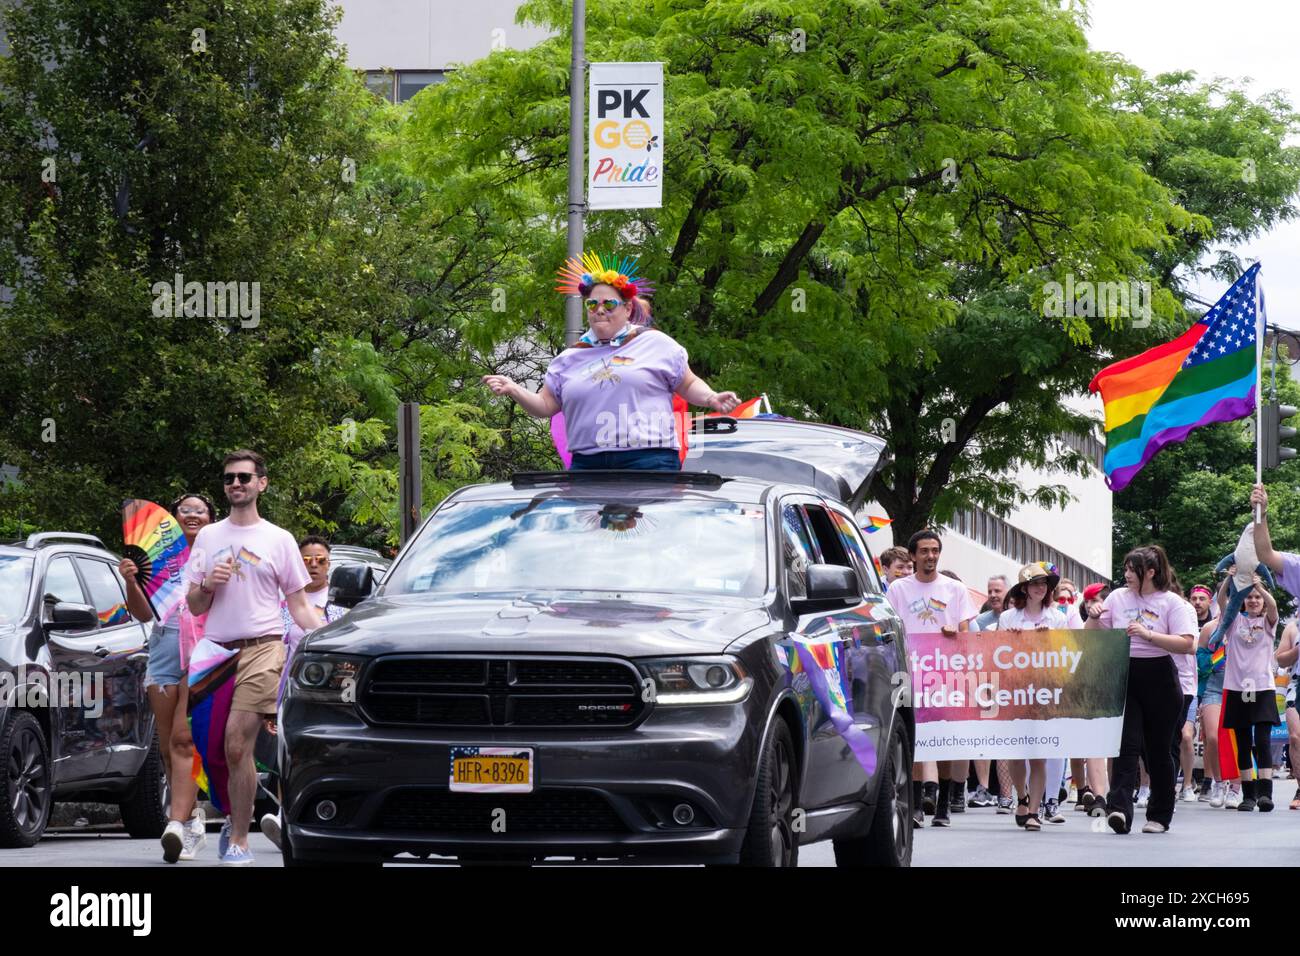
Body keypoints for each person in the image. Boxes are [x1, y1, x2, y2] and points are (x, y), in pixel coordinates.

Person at [185, 450, 324, 865]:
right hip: (214, 654)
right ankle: (233, 814)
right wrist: (208, 584)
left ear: (262, 482)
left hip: (263, 648)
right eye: (229, 479)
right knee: (210, 750)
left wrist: (330, 636)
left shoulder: (278, 539)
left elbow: (299, 606)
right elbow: (193, 605)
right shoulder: (209, 537)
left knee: (236, 744)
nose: (236, 484)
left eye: (244, 477)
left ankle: (240, 841)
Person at [482, 251, 740, 470]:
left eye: (610, 303)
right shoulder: (569, 358)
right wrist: (513, 389)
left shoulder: (656, 343)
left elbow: (687, 383)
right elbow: (545, 405)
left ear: (627, 309)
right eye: (592, 304)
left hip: (648, 459)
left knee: (652, 530)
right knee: (588, 530)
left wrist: (711, 398)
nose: (600, 310)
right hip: (587, 462)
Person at [119, 492, 216, 863]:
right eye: (185, 511)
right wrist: (131, 580)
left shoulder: (217, 553)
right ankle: (191, 821)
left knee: (184, 740)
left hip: (203, 649)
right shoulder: (158, 560)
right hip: (163, 648)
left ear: (210, 518)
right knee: (165, 746)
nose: (192, 515)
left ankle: (176, 824)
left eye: (200, 510)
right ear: (171, 520)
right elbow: (143, 614)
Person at [1085, 546, 1197, 834]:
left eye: (1131, 570)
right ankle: (1119, 809)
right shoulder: (1118, 598)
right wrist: (1094, 616)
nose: (1126, 575)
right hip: (1126, 673)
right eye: (1124, 569)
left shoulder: (1171, 602)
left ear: (1150, 572)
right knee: (1126, 745)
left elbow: (1188, 643)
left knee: (1158, 751)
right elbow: (1091, 636)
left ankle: (1160, 815)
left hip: (1161, 677)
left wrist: (1149, 634)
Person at [259, 536, 349, 849]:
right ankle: (285, 816)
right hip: (290, 689)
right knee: (288, 752)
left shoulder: (341, 606)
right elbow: (275, 652)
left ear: (330, 564)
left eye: (320, 560)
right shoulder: (281, 606)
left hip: (333, 694)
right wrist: (272, 697)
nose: (313, 566)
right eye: (306, 560)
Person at [886, 530, 977, 828]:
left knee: (945, 737)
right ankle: (913, 804)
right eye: (924, 551)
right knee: (914, 736)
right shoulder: (899, 589)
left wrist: (955, 632)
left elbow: (967, 632)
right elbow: (892, 628)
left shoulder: (954, 589)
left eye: (935, 550)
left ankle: (943, 804)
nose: (931, 556)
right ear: (913, 556)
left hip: (945, 671)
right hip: (909, 671)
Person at [997, 562, 1070, 830]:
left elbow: (1066, 655)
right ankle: (1022, 796)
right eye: (1035, 583)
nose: (1041, 588)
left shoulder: (1058, 618)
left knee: (1039, 753)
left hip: (1044, 690)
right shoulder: (1008, 618)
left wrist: (1049, 639)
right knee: (1017, 753)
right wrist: (1012, 639)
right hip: (1015, 691)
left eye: (1045, 584)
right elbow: (995, 652)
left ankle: (1035, 811)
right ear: (1025, 588)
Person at [1212, 572, 1280, 811]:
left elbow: (1272, 605)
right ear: (1242, 601)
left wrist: (1258, 585)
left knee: (1262, 740)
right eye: (1249, 597)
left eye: (1256, 598)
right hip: (1237, 687)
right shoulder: (1234, 621)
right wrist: (1230, 581)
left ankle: (1265, 794)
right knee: (1242, 742)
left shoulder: (1268, 622)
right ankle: (1248, 795)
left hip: (1262, 687)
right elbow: (1221, 602)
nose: (1253, 600)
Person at [1276, 620, 1300, 809]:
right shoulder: (1293, 626)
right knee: (1295, 737)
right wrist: (1297, 649)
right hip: (1296, 684)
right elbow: (1281, 659)